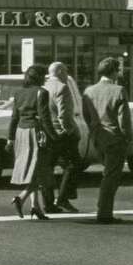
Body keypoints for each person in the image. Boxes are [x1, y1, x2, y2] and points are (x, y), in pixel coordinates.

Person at [82, 56, 133, 225]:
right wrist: (128, 138)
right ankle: (104, 212)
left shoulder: (89, 91)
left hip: (98, 136)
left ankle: (104, 208)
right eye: (117, 70)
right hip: (115, 137)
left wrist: (93, 129)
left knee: (108, 173)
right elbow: (123, 119)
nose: (119, 73)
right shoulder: (119, 90)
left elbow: (87, 116)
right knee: (111, 176)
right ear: (113, 72)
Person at [7, 64, 59, 220]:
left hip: (21, 132)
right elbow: (44, 117)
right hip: (36, 133)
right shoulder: (41, 93)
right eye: (44, 76)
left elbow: (14, 118)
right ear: (40, 77)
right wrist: (54, 136)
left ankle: (36, 207)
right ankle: (21, 198)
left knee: (31, 170)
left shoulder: (19, 93)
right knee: (39, 171)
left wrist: (10, 138)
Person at [43, 61, 82, 213]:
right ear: (59, 72)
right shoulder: (62, 88)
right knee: (74, 164)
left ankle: (48, 203)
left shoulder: (44, 87)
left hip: (47, 132)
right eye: (65, 71)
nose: (67, 74)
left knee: (48, 167)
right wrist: (72, 131)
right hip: (62, 134)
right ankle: (63, 198)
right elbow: (64, 115)